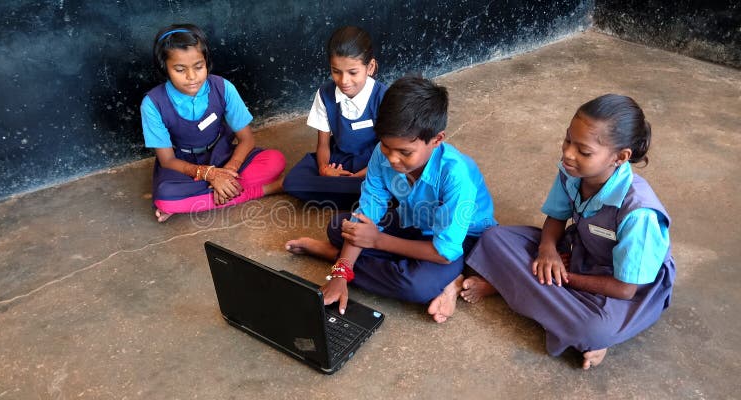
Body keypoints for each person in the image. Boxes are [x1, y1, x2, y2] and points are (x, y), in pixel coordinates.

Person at [462, 94, 675, 369]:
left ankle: (509, 287)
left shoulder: (639, 213)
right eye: (567, 140)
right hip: (581, 251)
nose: (568, 153)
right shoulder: (570, 171)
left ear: (620, 158)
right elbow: (556, 218)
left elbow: (625, 288)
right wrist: (547, 251)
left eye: (583, 151)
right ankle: (544, 302)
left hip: (626, 285)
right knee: (493, 239)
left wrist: (566, 278)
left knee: (593, 329)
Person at [286, 76, 497, 323]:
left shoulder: (456, 175)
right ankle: (352, 261)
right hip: (414, 220)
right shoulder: (381, 154)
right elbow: (365, 216)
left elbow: (443, 252)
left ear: (437, 139)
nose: (393, 159)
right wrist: (340, 275)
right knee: (339, 227)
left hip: (463, 240)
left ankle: (332, 254)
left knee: (417, 287)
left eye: (405, 152)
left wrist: (376, 241)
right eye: (387, 147)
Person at [141, 24, 285, 222]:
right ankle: (268, 189)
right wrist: (210, 175)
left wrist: (228, 172)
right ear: (164, 67)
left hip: (222, 154)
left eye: (199, 67)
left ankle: (194, 200)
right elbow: (167, 160)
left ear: (206, 62)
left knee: (275, 160)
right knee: (165, 198)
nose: (192, 77)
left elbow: (246, 139)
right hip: (183, 164)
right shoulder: (153, 103)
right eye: (180, 69)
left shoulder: (223, 88)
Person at [282, 26, 387, 210]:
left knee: (394, 175)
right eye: (336, 71)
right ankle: (365, 196)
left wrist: (363, 174)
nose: (344, 80)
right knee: (292, 182)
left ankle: (356, 190)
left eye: (352, 72)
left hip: (374, 161)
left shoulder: (383, 97)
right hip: (340, 158)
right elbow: (323, 144)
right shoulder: (325, 94)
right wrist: (324, 168)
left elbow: (389, 149)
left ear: (370, 67)